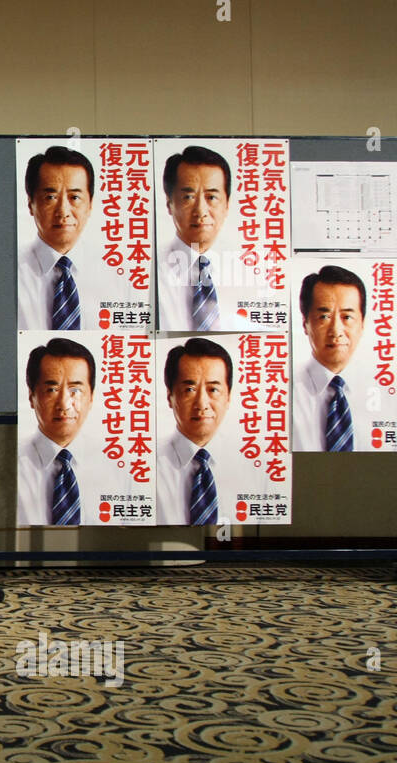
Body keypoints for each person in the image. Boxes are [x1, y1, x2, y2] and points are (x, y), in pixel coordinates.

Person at [157, 146, 244, 332]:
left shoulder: (248, 271)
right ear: (169, 204)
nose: (201, 211)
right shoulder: (149, 272)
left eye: (211, 197)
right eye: (188, 197)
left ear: (227, 205)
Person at [17, 147, 99, 331]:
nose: (63, 211)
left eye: (75, 197)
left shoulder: (117, 275)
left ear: (90, 204)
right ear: (30, 204)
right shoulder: (8, 275)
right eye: (51, 197)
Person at [17, 338, 96, 525]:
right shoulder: (10, 465)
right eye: (52, 389)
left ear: (91, 397)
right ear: (31, 396)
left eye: (75, 390)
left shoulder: (118, 466)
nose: (64, 404)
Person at [156, 337, 235, 525]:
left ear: (228, 397)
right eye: (189, 389)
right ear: (170, 396)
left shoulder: (253, 465)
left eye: (213, 390)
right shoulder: (146, 466)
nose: (202, 404)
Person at [292, 265, 367, 452]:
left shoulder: (389, 396)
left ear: (362, 324)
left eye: (347, 317)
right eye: (324, 316)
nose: (336, 331)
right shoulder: (283, 394)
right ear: (305, 324)